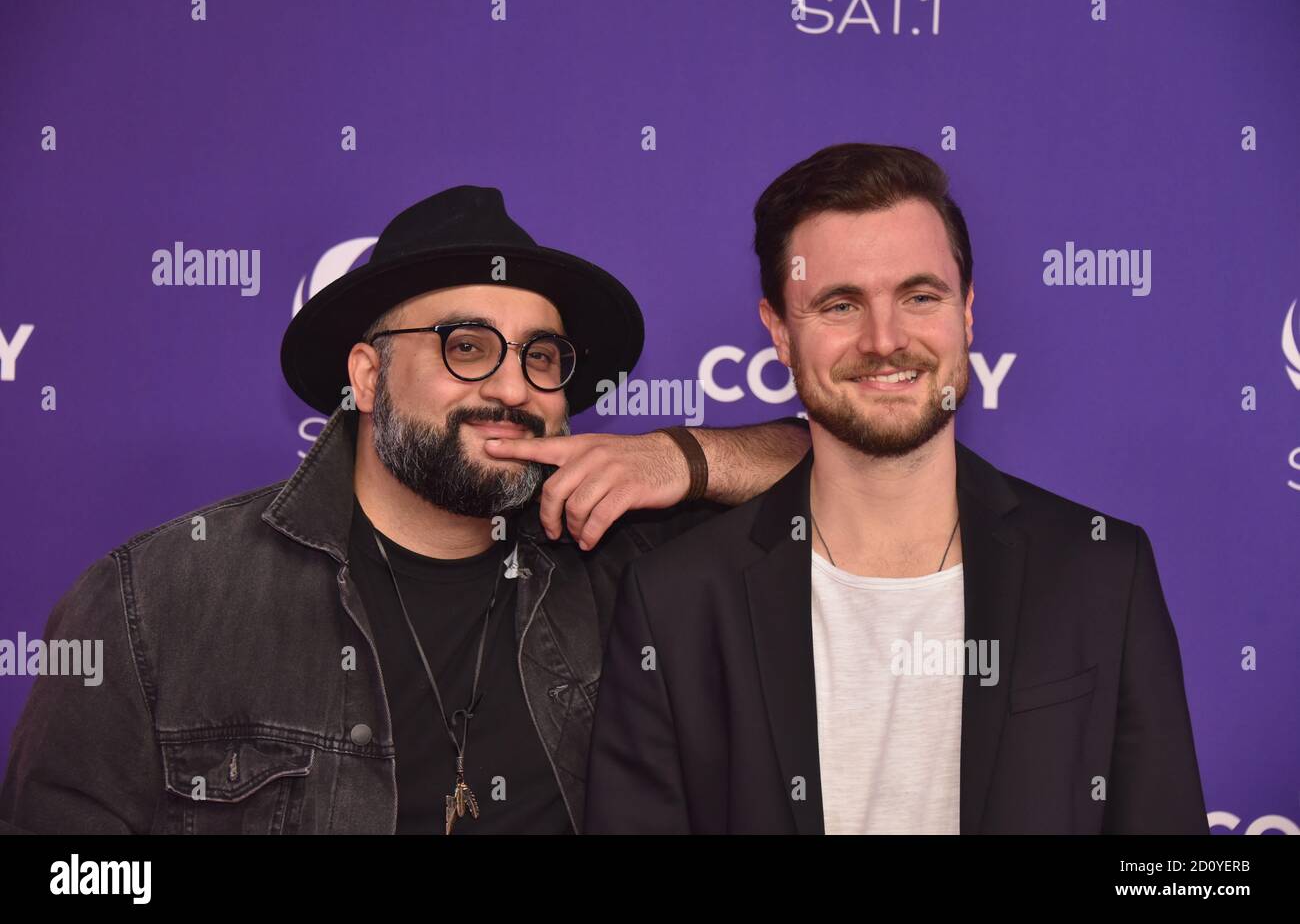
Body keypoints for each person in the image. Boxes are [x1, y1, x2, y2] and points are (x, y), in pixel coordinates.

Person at [0, 185, 809, 834]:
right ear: (367, 376)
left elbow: (851, 472)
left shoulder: (628, 564)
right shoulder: (157, 602)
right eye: (467, 346)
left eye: (541, 357)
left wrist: (683, 456)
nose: (512, 387)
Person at [584, 143, 1207, 834]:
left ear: (966, 312)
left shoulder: (1102, 569)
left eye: (920, 297)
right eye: (840, 304)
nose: (884, 340)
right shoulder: (677, 600)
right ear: (780, 333)